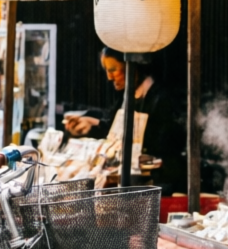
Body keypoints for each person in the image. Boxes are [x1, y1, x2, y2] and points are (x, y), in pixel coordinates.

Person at [64, 47, 186, 192]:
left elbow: (165, 147)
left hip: (160, 185)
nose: (109, 77)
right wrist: (88, 125)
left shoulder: (161, 99)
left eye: (113, 69)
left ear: (132, 67)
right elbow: (112, 128)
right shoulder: (126, 96)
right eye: (106, 70)